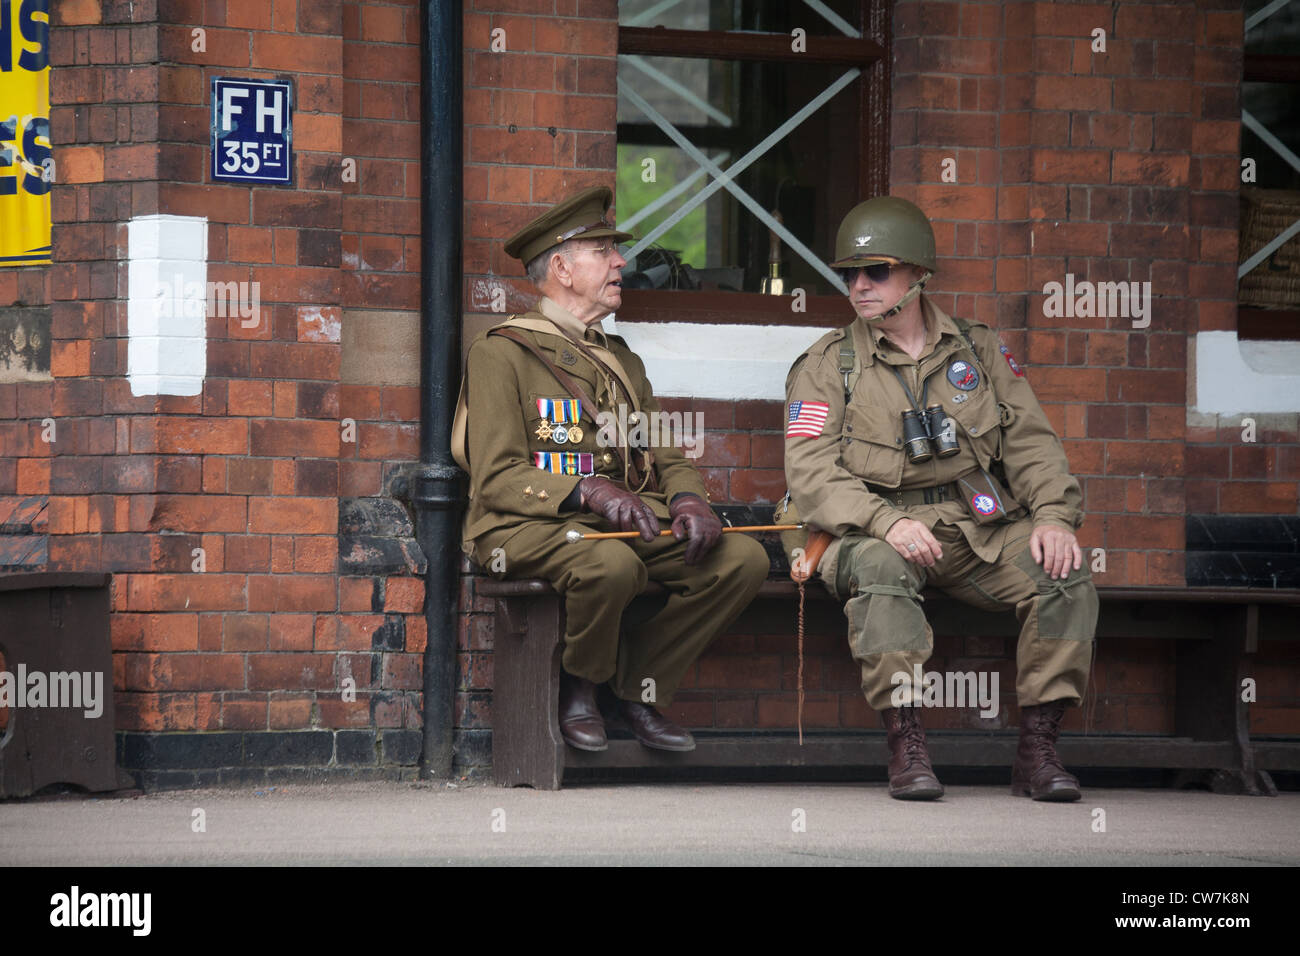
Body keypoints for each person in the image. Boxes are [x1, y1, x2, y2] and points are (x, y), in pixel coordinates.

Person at [782, 196, 1098, 801]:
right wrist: (885, 521)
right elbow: (811, 471)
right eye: (850, 274)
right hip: (866, 531)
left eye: (877, 271)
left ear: (918, 275)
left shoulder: (977, 351)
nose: (859, 285)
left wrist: (1054, 517)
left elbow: (1031, 443)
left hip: (972, 526)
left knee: (1062, 573)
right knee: (882, 568)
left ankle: (1038, 752)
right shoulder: (828, 364)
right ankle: (906, 746)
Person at [454, 186, 769, 753]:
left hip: (620, 519)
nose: (621, 262)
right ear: (562, 269)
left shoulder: (622, 360)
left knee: (742, 559)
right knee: (611, 564)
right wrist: (588, 491)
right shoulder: (501, 353)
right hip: (525, 524)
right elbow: (496, 476)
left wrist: (688, 500)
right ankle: (581, 687)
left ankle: (637, 687)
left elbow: (663, 451)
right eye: (603, 251)